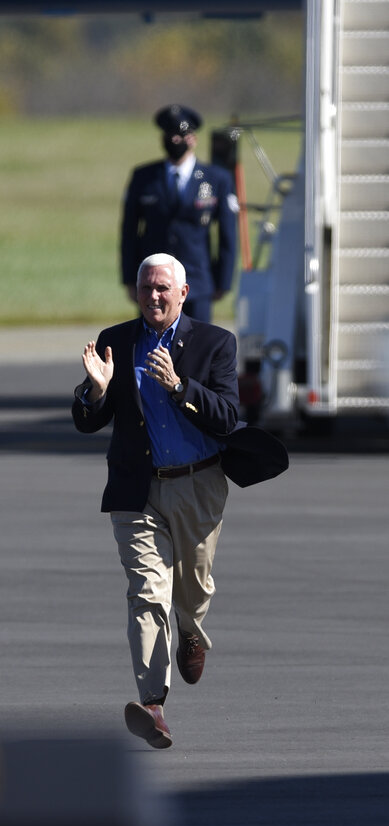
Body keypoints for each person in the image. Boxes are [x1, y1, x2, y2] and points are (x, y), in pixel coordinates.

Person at [71, 253, 286, 749]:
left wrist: (178, 387)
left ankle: (192, 632)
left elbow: (228, 415)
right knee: (147, 592)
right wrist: (95, 392)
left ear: (183, 293)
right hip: (136, 490)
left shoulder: (215, 344)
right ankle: (152, 703)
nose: (153, 296)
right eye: (146, 288)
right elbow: (88, 419)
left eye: (163, 288)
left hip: (199, 485)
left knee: (193, 589)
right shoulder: (115, 342)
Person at [120, 104, 238, 324]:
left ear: (193, 138)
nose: (175, 140)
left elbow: (227, 234)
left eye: (181, 134)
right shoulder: (144, 177)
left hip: (198, 281)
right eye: (170, 135)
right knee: (153, 347)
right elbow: (129, 231)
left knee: (198, 349)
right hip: (154, 284)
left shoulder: (215, 179)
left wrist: (223, 281)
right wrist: (129, 278)